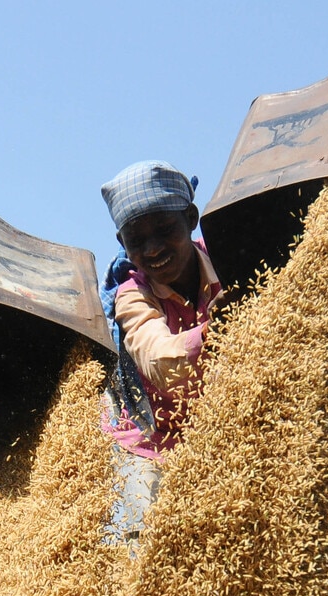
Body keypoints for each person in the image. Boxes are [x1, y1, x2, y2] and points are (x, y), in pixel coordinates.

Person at [97, 160, 228, 538]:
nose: (153, 249)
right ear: (123, 243)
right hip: (147, 434)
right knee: (151, 537)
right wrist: (211, 333)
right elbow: (158, 362)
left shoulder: (230, 260)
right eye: (137, 241)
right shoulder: (131, 295)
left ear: (190, 218)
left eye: (165, 230)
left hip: (214, 429)